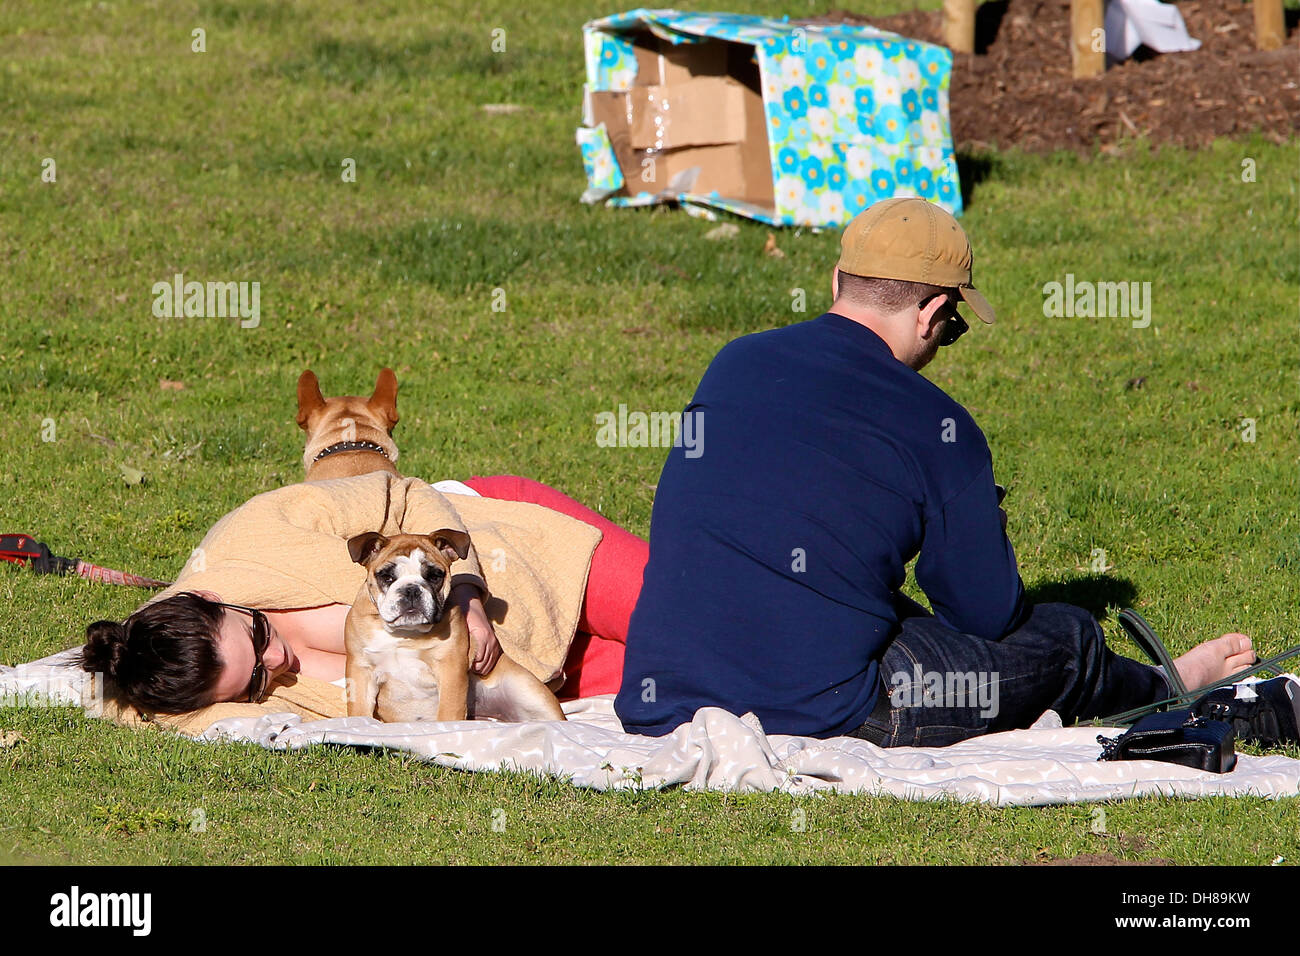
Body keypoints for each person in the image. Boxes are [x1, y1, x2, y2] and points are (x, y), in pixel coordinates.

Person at [614, 197, 1255, 744]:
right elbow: (985, 614)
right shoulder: (941, 427)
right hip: (824, 711)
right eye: (951, 329)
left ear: (838, 279)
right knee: (1069, 638)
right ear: (932, 312)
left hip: (661, 698)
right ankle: (1167, 690)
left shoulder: (735, 361)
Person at [81, 474, 647, 714]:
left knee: (709, 621)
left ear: (212, 596)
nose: (276, 660)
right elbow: (145, 716)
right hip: (548, 670)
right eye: (255, 678)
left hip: (525, 560)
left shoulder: (251, 535)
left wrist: (470, 590)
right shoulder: (201, 684)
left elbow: (405, 492)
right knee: (712, 679)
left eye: (257, 635)